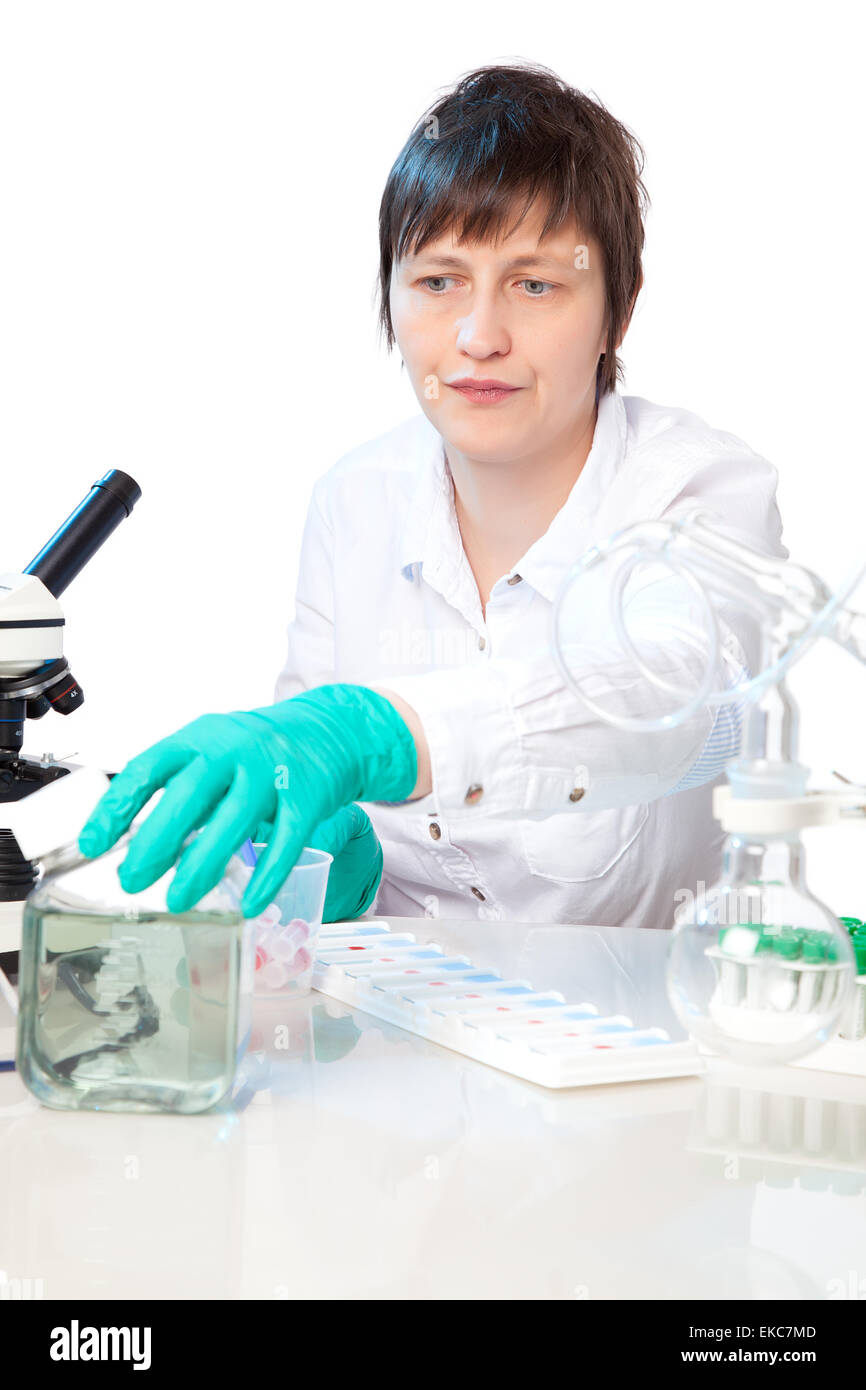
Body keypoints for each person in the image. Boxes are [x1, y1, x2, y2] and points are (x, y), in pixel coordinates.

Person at [79, 62, 783, 928]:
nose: (478, 337)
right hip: (400, 1033)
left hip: (650, 1038)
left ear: (618, 312)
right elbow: (307, 811)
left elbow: (667, 706)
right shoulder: (357, 501)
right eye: (438, 281)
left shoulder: (699, 489)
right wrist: (327, 865)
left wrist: (376, 730)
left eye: (535, 284)